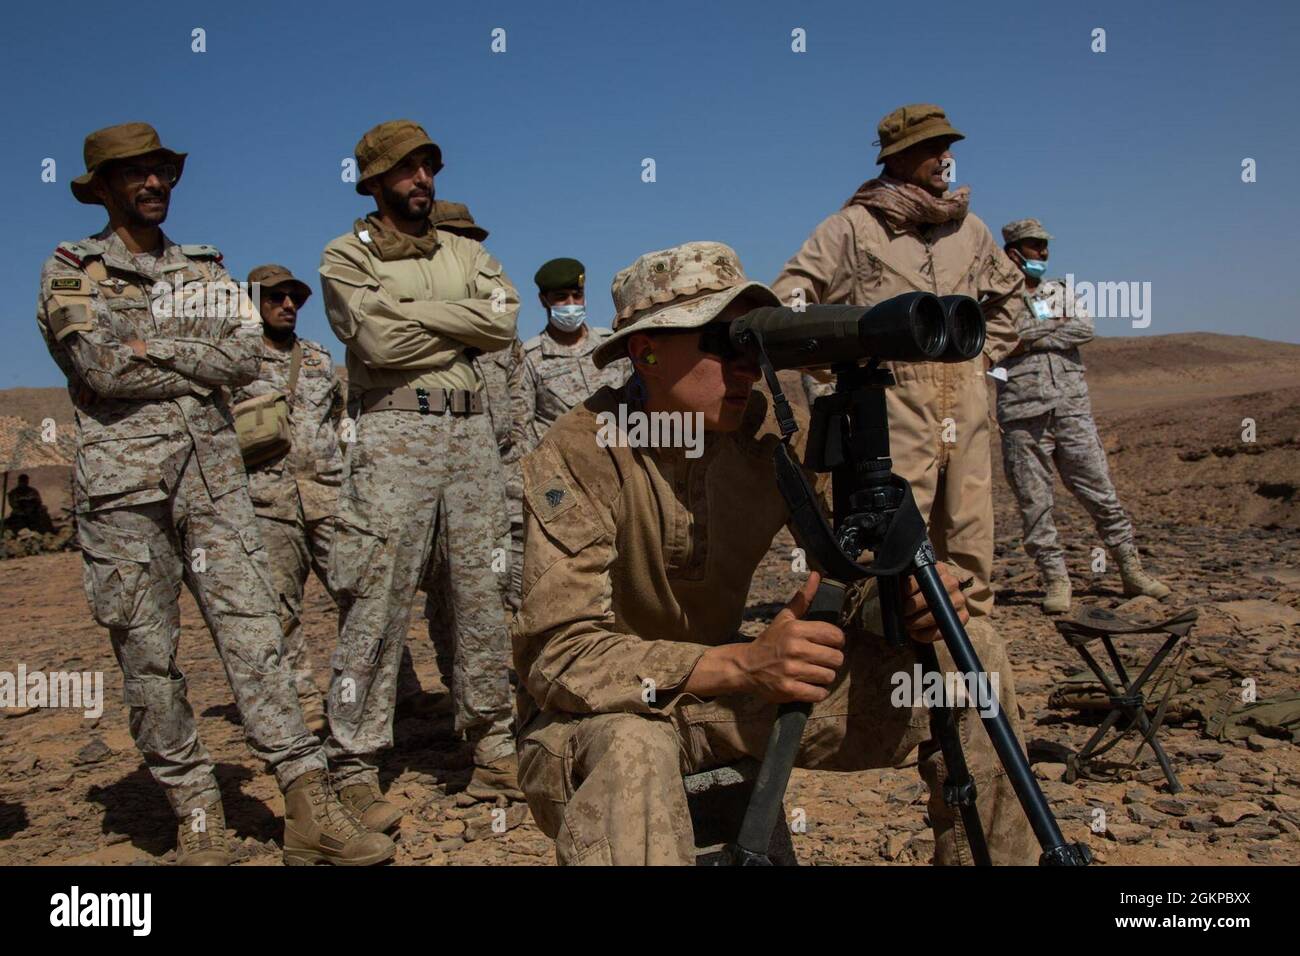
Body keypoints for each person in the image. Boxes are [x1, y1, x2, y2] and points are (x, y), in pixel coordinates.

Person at [512, 241, 1036, 865]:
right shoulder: (580, 452)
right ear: (646, 352)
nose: (744, 368)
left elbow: (849, 566)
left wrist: (903, 597)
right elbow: (560, 655)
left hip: (722, 705)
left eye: (751, 345)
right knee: (634, 745)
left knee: (971, 657)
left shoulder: (764, 435)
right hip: (591, 721)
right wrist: (741, 665)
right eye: (721, 344)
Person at [35, 122, 393, 866]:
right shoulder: (69, 269)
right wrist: (187, 355)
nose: (154, 184)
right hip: (123, 496)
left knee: (256, 636)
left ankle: (304, 802)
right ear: (101, 187)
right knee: (149, 657)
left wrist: (149, 346)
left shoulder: (209, 270)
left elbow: (238, 357)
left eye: (162, 171)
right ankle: (196, 809)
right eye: (135, 174)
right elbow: (100, 369)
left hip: (215, 486)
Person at [319, 119, 523, 832]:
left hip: (470, 434)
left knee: (481, 592)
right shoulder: (345, 255)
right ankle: (351, 762)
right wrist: (459, 321)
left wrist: (418, 315)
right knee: (376, 597)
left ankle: (495, 747)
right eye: (406, 170)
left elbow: (502, 320)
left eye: (429, 167)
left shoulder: (466, 249)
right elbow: (374, 336)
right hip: (393, 432)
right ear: (373, 181)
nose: (422, 181)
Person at [771, 104, 1022, 620]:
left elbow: (1010, 296)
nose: (945, 159)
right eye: (932, 148)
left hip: (967, 401)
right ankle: (895, 655)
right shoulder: (852, 228)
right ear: (899, 158)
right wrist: (843, 367)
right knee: (895, 535)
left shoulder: (969, 229)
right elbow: (789, 303)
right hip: (892, 402)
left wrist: (984, 353)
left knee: (970, 531)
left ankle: (973, 648)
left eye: (948, 148)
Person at [996, 219, 1170, 613]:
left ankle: (1131, 569)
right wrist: (1043, 330)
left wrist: (1031, 336)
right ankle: (1056, 581)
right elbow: (998, 345)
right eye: (1037, 247)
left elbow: (1083, 329)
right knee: (1035, 505)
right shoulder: (993, 299)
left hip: (1071, 409)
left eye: (1045, 246)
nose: (1045, 254)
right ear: (1014, 252)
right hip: (1022, 415)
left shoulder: (1058, 290)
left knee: (1101, 493)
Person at [229, 264, 346, 731]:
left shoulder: (318, 359)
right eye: (275, 297)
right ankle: (304, 703)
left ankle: (387, 691)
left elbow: (338, 419)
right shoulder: (233, 364)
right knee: (282, 608)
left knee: (361, 594)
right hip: (266, 503)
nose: (287, 305)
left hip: (328, 496)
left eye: (293, 298)